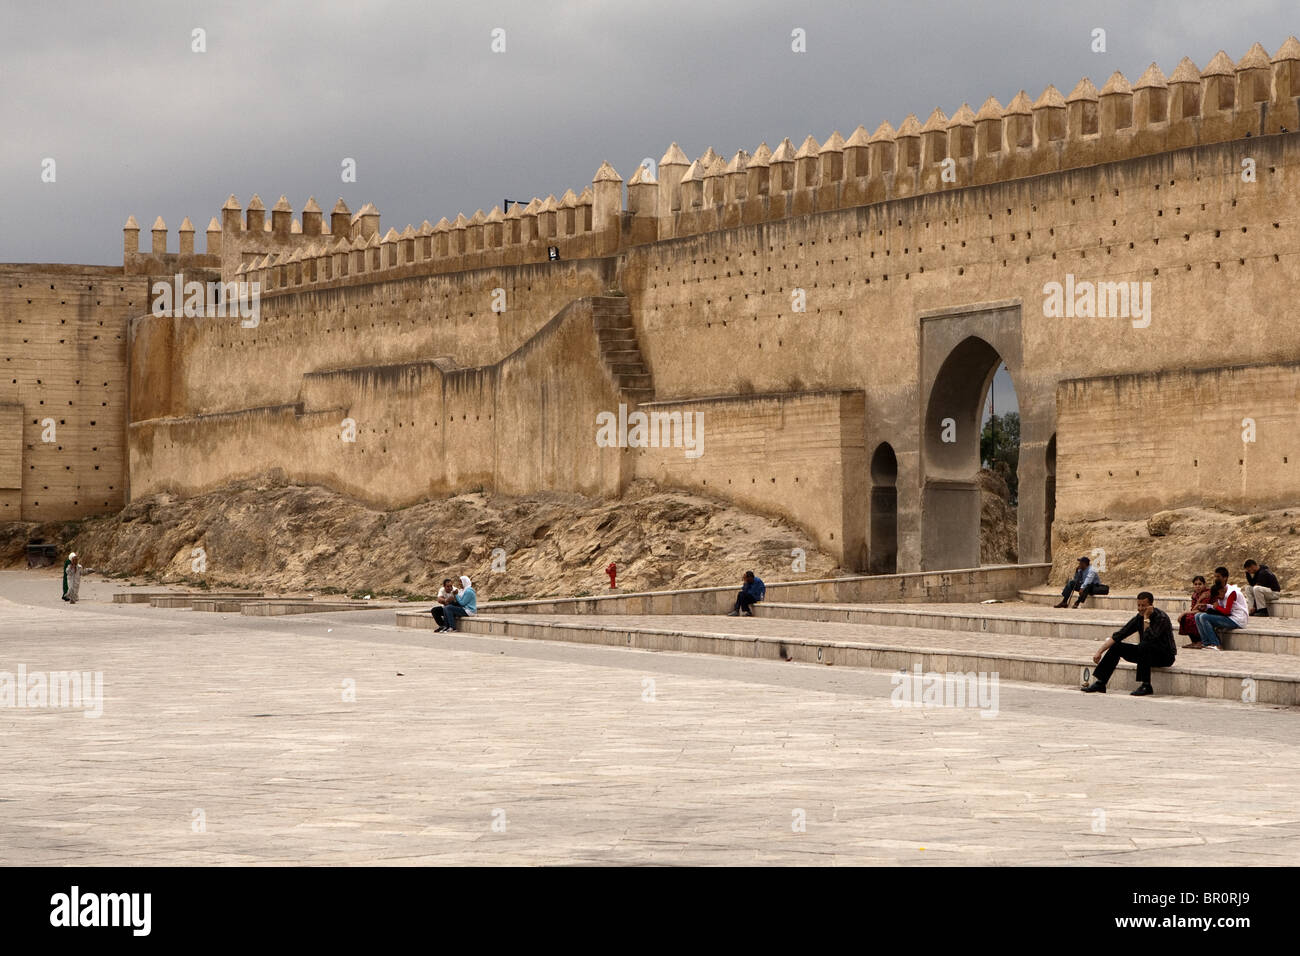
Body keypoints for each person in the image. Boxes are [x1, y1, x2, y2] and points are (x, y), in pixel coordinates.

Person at [1081, 591, 1176, 696]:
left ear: (1151, 605)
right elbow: (1120, 635)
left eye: (1143, 606)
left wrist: (1146, 618)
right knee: (1117, 646)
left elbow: (1149, 638)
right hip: (1146, 653)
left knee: (1144, 645)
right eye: (1138, 605)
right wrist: (1099, 652)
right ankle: (1101, 682)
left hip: (1164, 656)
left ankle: (1146, 685)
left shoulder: (1161, 617)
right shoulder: (1138, 617)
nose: (1140, 608)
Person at [1193, 566, 1248, 652]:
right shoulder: (1219, 590)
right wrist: (1207, 606)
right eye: (1215, 576)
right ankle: (1206, 643)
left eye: (1218, 577)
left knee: (1204, 617)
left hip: (1237, 619)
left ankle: (1216, 644)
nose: (1216, 579)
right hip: (1229, 617)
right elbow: (1218, 606)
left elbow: (1226, 611)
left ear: (1225, 578)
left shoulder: (1231, 593)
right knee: (1197, 616)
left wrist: (1216, 607)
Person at [1177, 575, 1212, 646]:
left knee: (1191, 618)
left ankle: (1200, 641)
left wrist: (1185, 612)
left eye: (1200, 584)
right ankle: (1194, 641)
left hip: (1207, 613)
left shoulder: (1207, 593)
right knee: (1185, 618)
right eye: (1195, 584)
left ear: (1204, 585)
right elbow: (1193, 609)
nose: (1197, 586)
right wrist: (1199, 600)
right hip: (1198, 612)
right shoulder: (1195, 595)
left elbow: (1202, 609)